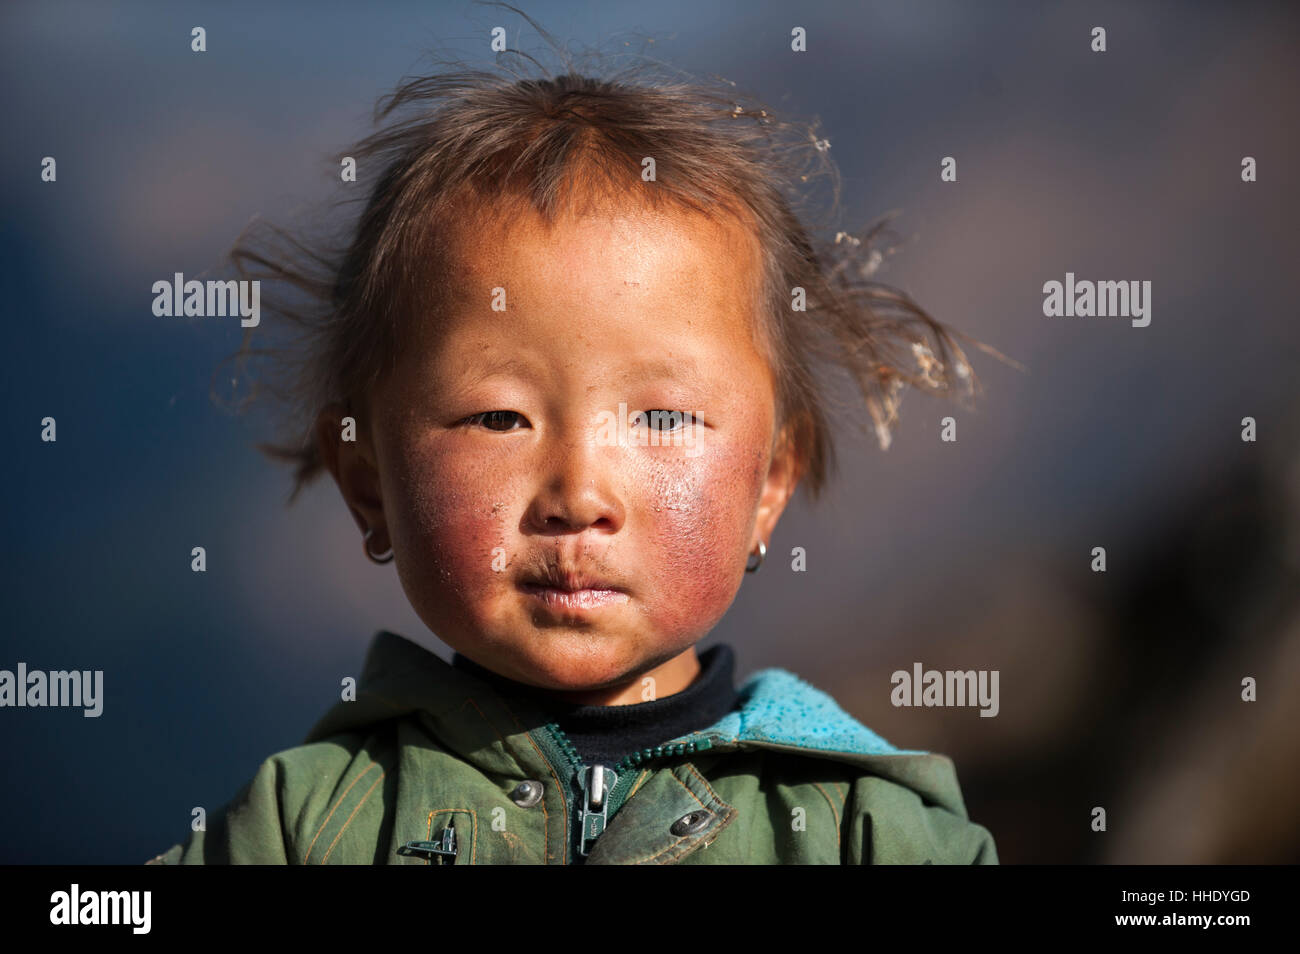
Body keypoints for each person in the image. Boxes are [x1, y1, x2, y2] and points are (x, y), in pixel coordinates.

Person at [148, 44, 999, 865]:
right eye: (498, 417)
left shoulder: (862, 832)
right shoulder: (310, 826)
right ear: (369, 482)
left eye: (664, 416)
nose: (578, 493)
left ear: (771, 482)